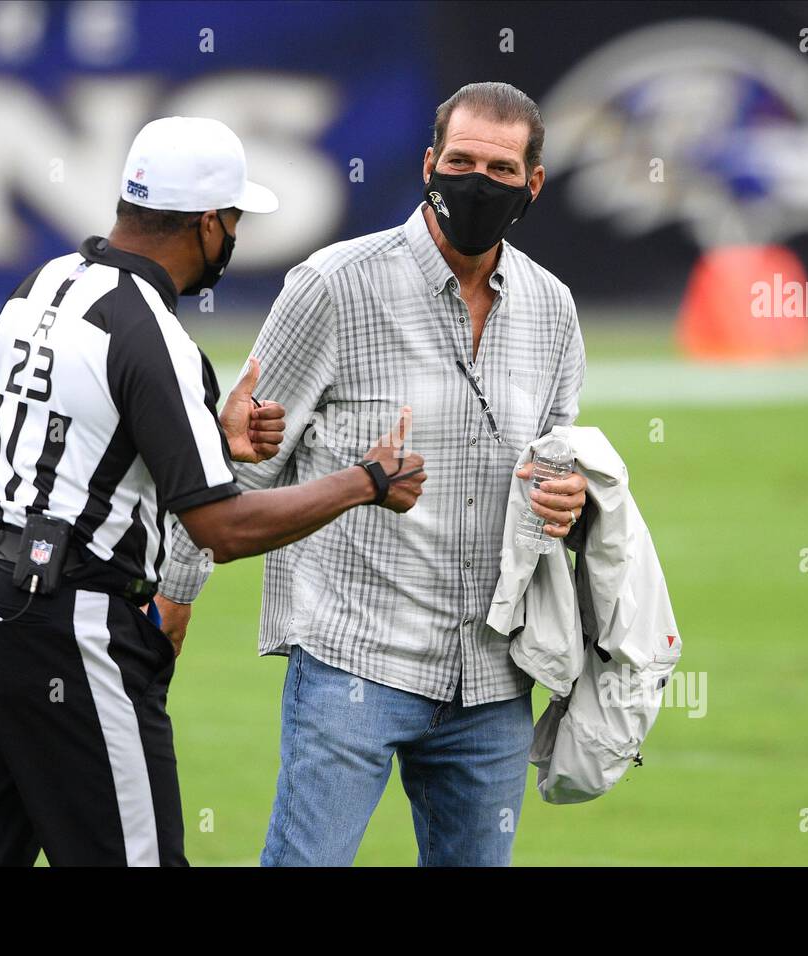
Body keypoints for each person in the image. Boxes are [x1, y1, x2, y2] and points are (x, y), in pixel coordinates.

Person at [0, 116, 426, 867]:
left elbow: (82, 432)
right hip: (60, 625)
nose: (236, 238)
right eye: (235, 220)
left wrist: (208, 435)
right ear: (209, 223)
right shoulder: (154, 334)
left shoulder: (44, 281)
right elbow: (221, 528)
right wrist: (364, 482)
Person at [156, 84, 589, 866]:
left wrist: (570, 499)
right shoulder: (332, 286)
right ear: (429, 164)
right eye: (460, 161)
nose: (476, 182)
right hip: (353, 662)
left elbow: (555, 466)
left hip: (492, 681)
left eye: (499, 168)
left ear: (534, 184)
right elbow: (240, 461)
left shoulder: (553, 310)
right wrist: (174, 598)